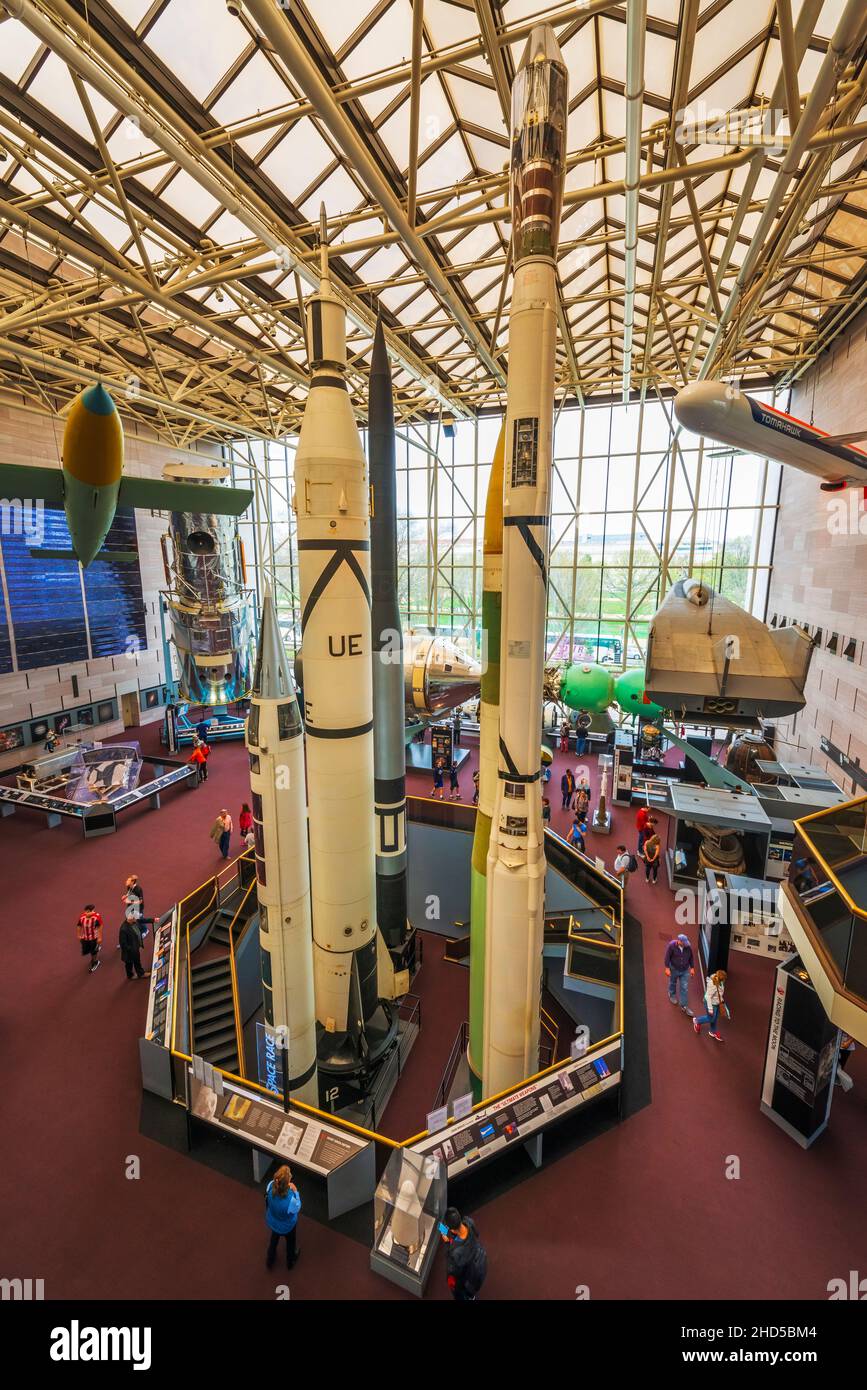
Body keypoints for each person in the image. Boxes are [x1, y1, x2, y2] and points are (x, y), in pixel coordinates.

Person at [441, 1207, 487, 1301]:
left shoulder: (456, 1253)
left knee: (460, 1294)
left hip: (465, 1278)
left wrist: (447, 1242)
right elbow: (476, 1234)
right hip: (476, 1262)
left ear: (452, 1230)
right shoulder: (469, 1222)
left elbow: (452, 1271)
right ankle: (471, 1297)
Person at [264, 1165, 301, 1270]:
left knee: (273, 1240)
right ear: (288, 1183)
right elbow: (297, 1208)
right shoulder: (291, 1201)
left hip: (273, 1222)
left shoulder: (270, 1186)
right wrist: (296, 1192)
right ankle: (290, 1261)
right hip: (287, 1227)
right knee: (290, 1244)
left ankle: (269, 1260)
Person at [664, 933, 695, 1015]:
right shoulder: (671, 946)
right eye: (684, 943)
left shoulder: (688, 947)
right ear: (679, 941)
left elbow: (691, 957)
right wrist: (667, 968)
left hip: (685, 970)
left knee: (684, 987)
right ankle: (672, 994)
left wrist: (692, 968)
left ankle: (684, 1005)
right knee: (673, 982)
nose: (686, 944)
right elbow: (667, 957)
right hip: (674, 969)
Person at [693, 970, 729, 1041]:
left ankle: (713, 1031)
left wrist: (721, 1001)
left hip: (716, 1003)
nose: (725, 981)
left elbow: (719, 993)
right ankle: (697, 1021)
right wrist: (710, 1009)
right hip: (711, 1004)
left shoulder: (720, 982)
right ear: (722, 979)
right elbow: (707, 996)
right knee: (711, 1018)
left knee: (714, 1018)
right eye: (724, 979)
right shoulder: (713, 985)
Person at [118, 908, 148, 981]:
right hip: (130, 951)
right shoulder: (123, 929)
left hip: (135, 947)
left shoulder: (133, 922)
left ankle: (138, 973)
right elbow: (123, 944)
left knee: (136, 961)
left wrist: (153, 920)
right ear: (131, 918)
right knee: (130, 963)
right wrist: (131, 949)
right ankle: (132, 975)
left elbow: (142, 921)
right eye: (135, 918)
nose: (137, 919)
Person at [77, 903, 103, 975]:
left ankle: (96, 962)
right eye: (87, 911)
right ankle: (96, 950)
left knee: (93, 951)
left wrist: (100, 937)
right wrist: (79, 935)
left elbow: (100, 926)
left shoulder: (96, 917)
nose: (93, 912)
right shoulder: (82, 917)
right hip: (85, 937)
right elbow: (79, 926)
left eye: (92, 911)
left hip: (94, 937)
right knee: (86, 951)